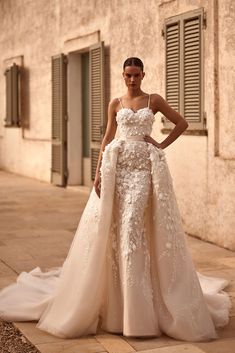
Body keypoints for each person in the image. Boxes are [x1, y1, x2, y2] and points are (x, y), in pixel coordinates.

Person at [0, 57, 231, 341]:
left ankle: (137, 312)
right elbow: (108, 137)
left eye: (136, 75)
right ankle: (118, 305)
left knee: (133, 227)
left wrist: (159, 144)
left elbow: (181, 123)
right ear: (122, 75)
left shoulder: (153, 100)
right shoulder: (116, 103)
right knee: (116, 230)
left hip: (143, 172)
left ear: (143, 74)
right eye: (127, 75)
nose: (131, 80)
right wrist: (97, 173)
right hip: (118, 171)